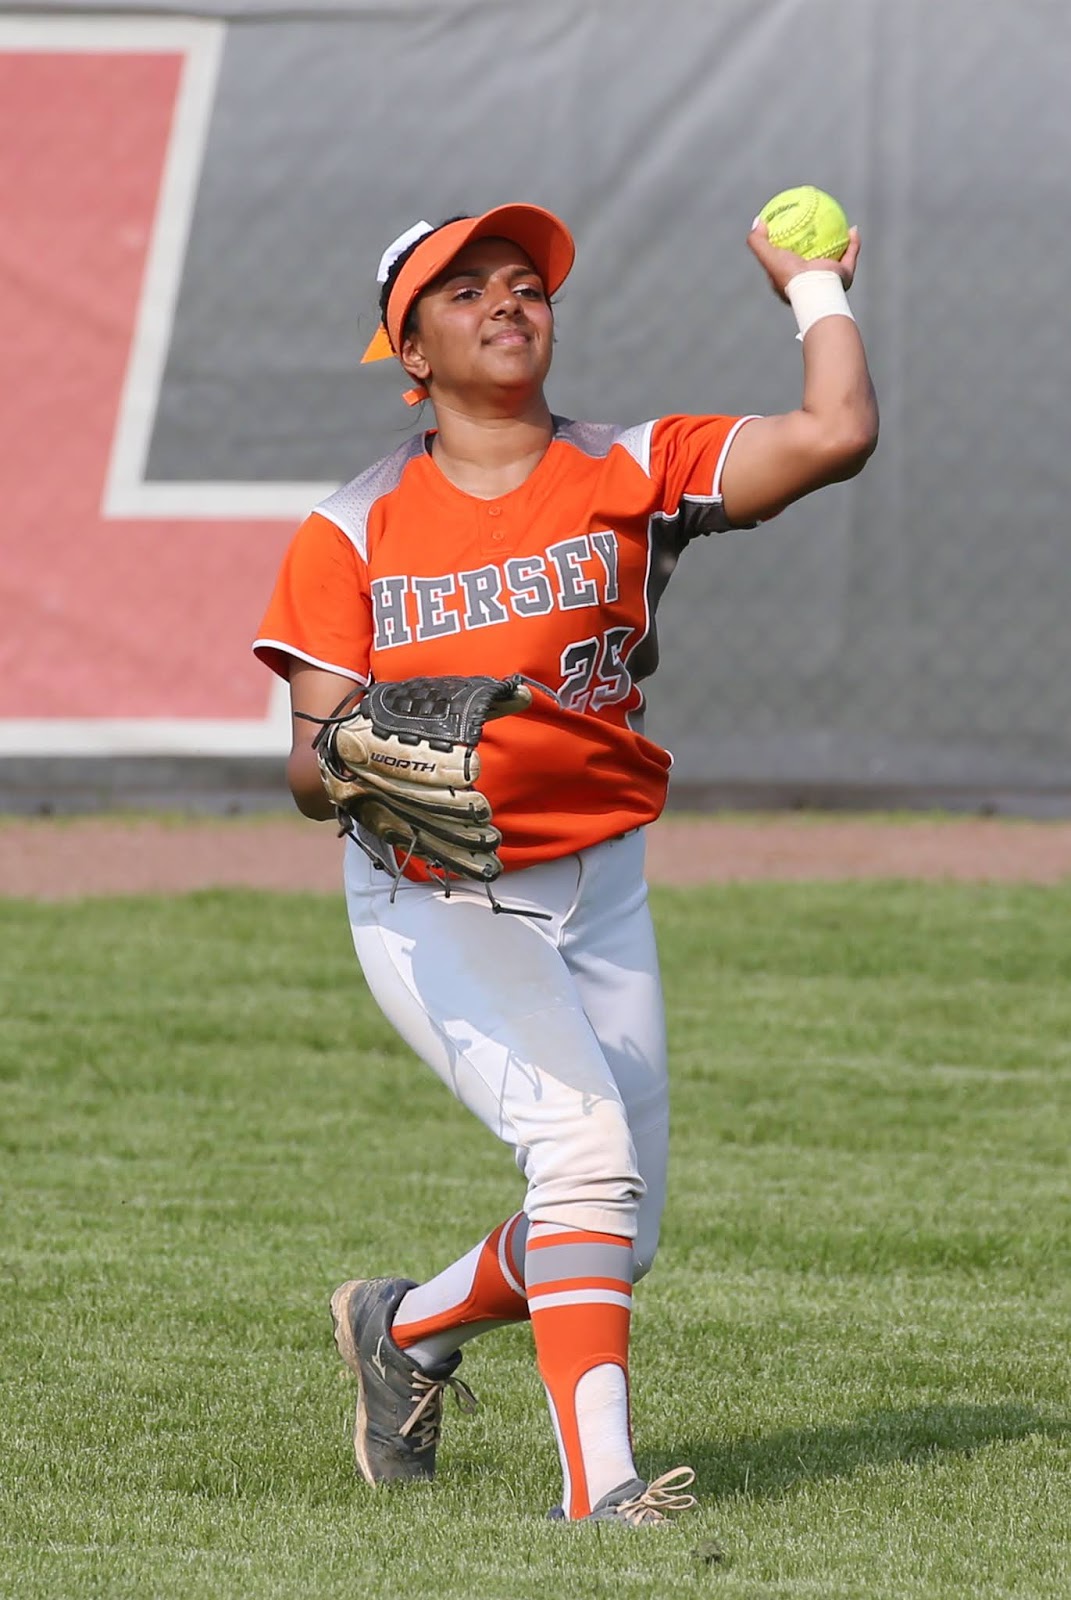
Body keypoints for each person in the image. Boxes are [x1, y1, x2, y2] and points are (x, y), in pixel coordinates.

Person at [253, 201, 878, 1526]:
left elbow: (834, 435)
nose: (505, 300)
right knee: (588, 1162)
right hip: (436, 894)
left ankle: (403, 1327)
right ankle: (604, 1496)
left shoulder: (633, 467)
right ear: (408, 348)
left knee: (615, 1230)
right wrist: (360, 752)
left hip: (600, 884)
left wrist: (814, 288)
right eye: (463, 288)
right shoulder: (353, 526)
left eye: (524, 280)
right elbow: (308, 769)